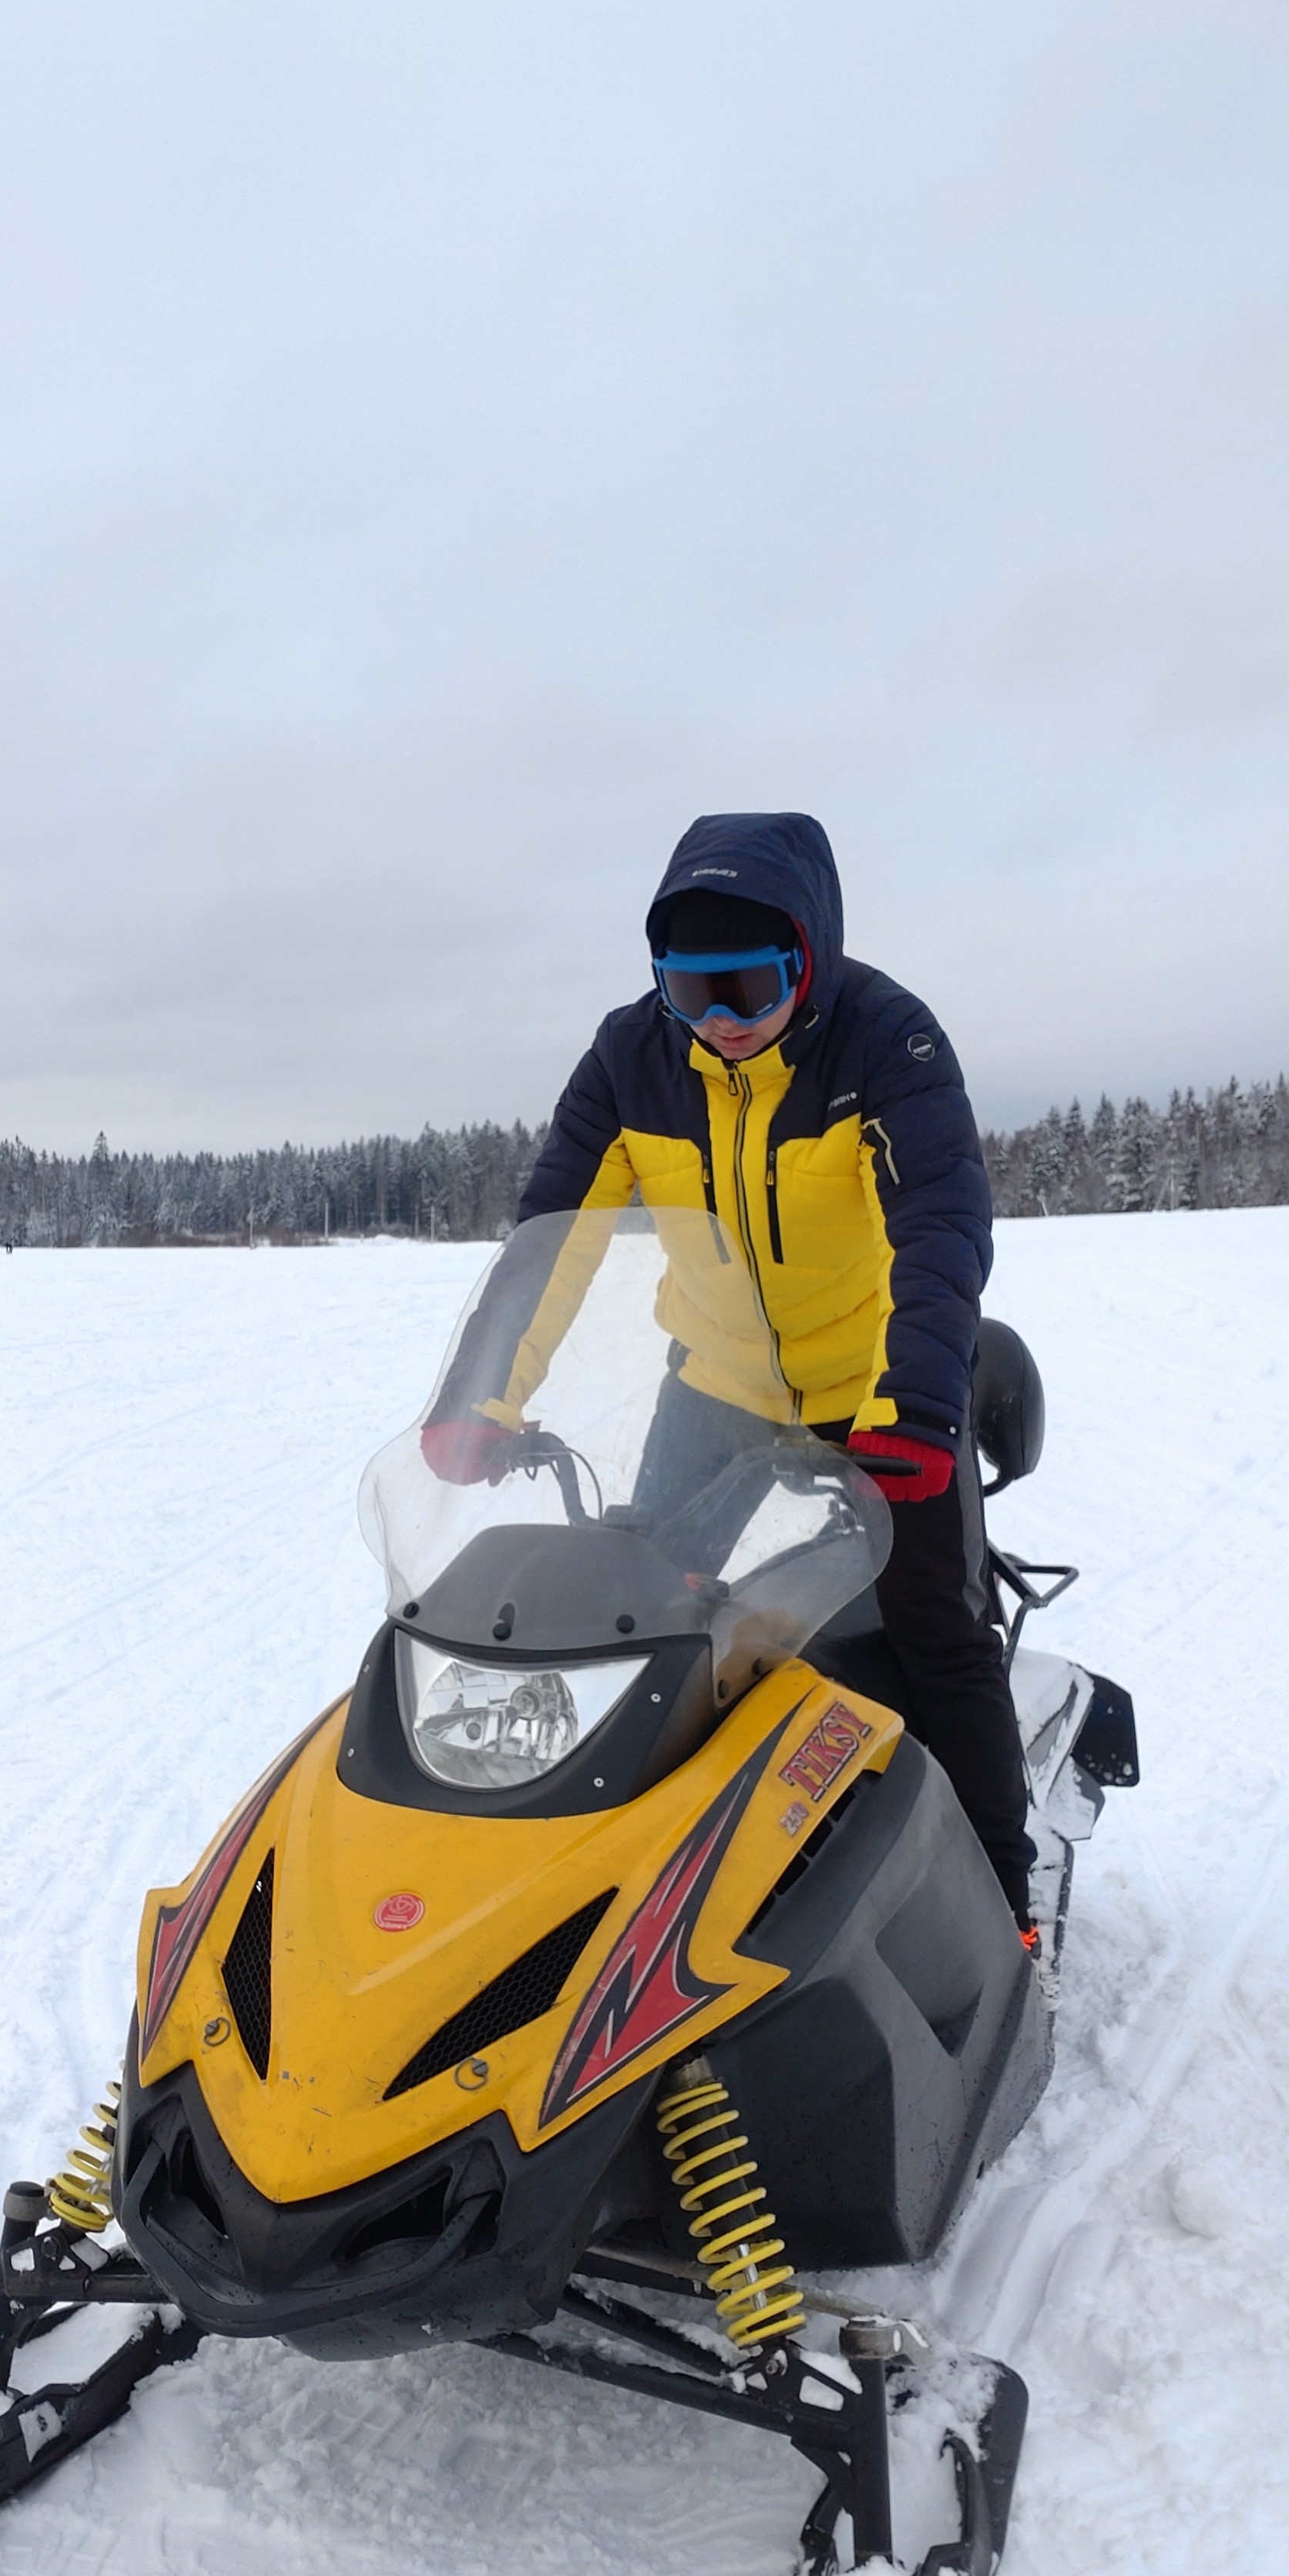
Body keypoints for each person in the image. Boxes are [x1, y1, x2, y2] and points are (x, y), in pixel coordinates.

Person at [427, 809, 1036, 1932]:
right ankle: (622, 1904)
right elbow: (556, 1233)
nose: (719, 1024)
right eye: (687, 992)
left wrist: (914, 1402)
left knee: (940, 1642)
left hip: (877, 1392)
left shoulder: (885, 1045)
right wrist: (478, 1397)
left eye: (749, 990)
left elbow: (939, 1229)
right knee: (645, 1626)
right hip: (717, 1384)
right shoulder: (631, 1060)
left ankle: (1008, 1905)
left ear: (809, 960)